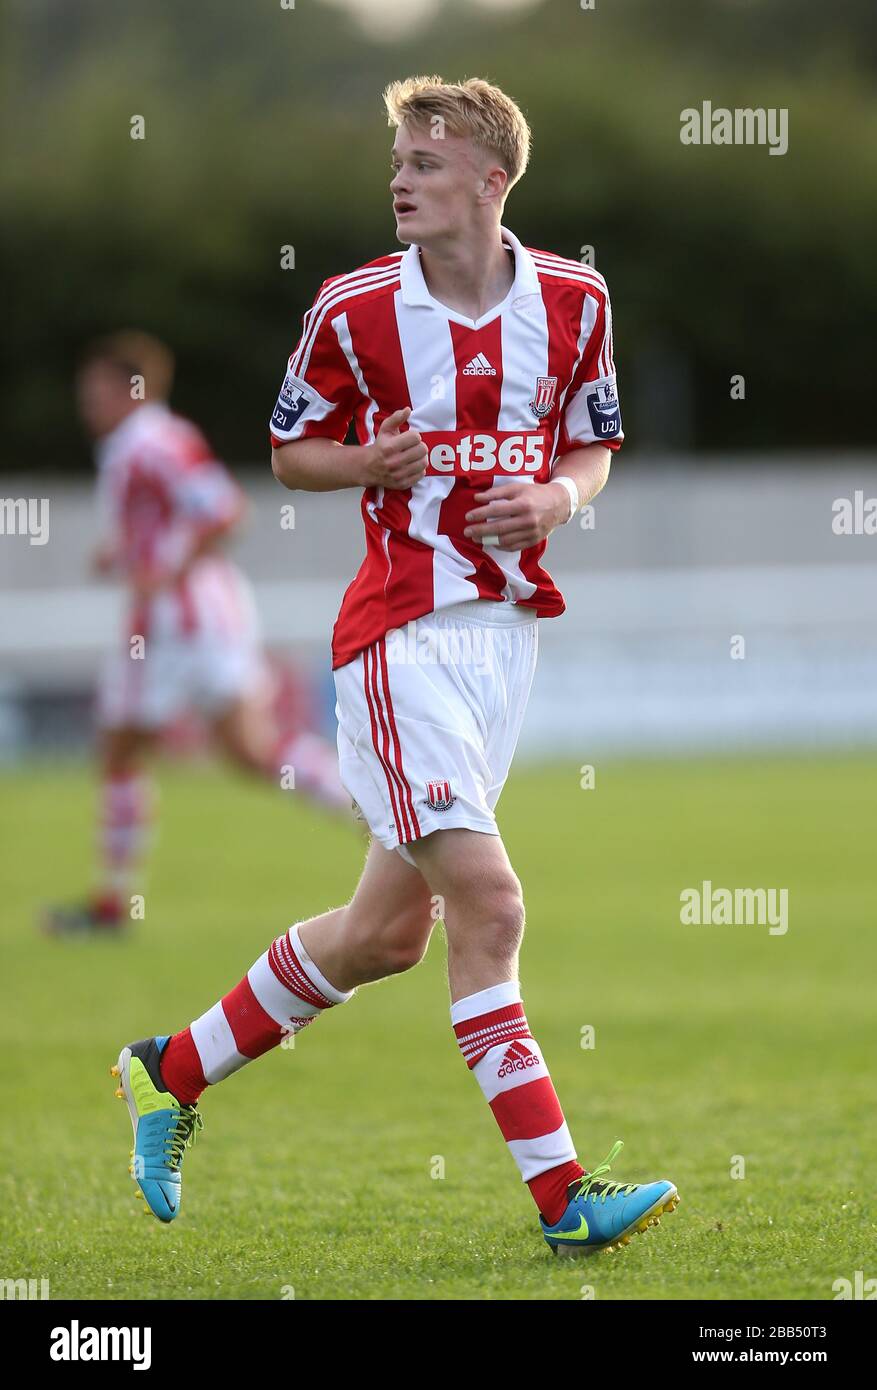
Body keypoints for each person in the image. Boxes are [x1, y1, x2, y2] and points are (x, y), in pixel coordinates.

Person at [111, 79, 679, 1255]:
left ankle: (168, 1070)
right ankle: (562, 1197)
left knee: (385, 934)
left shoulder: (575, 300)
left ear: (491, 178)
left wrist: (558, 497)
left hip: (502, 644)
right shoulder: (354, 307)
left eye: (426, 159)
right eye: (397, 158)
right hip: (398, 639)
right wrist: (363, 460)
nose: (401, 177)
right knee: (492, 904)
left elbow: (595, 443)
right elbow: (286, 452)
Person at [46, 331, 349, 935]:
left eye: (96, 390)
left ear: (128, 389)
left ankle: (111, 906)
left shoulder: (148, 442)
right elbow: (184, 517)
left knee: (120, 751)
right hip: (211, 615)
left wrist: (165, 569)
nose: (87, 403)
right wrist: (126, 550)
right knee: (253, 751)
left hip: (171, 624)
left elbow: (225, 510)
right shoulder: (146, 443)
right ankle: (385, 819)